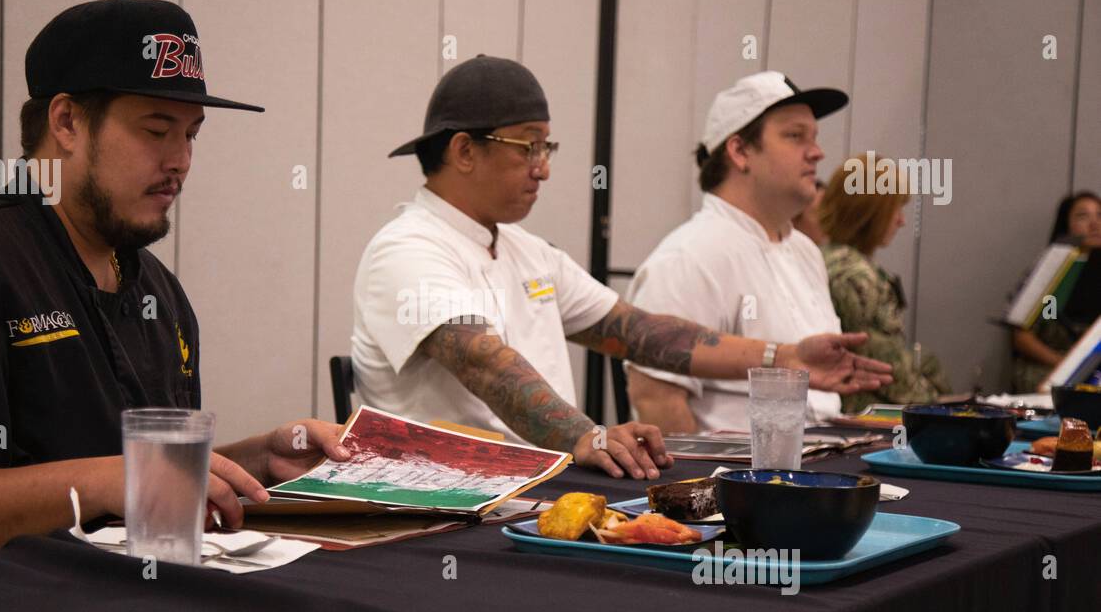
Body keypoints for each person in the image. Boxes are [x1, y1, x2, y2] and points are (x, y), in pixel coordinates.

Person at [0, 0, 347, 561]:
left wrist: (259, 461)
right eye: (156, 130)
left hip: (125, 604)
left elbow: (131, 476)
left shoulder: (157, 293)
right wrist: (99, 483)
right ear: (66, 122)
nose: (180, 161)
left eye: (191, 135)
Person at [351, 56, 891, 478]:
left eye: (548, 147)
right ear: (464, 151)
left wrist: (785, 355)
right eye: (527, 147)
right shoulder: (407, 249)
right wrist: (586, 435)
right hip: (443, 504)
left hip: (534, 487)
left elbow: (633, 331)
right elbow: (483, 364)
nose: (542, 168)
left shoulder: (524, 249)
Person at [627, 71, 854, 433]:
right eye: (795, 136)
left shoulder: (805, 251)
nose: (817, 152)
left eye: (814, 137)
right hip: (739, 481)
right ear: (740, 151)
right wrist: (701, 487)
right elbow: (656, 399)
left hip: (817, 465)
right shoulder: (690, 257)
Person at [818, 154, 950, 414]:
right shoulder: (854, 276)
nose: (901, 221)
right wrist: (937, 406)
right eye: (895, 210)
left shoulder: (829, 259)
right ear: (869, 213)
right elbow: (886, 367)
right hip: (869, 417)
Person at [1011, 190, 1101, 391]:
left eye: (1100, 215)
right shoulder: (1050, 272)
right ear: (1066, 224)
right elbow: (1022, 337)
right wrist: (1064, 363)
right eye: (1083, 216)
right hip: (1050, 362)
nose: (1094, 224)